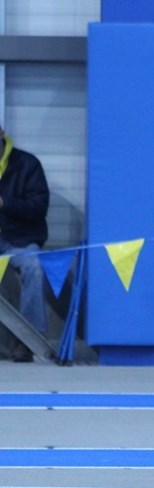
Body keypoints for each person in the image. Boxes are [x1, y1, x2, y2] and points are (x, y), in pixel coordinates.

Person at [0, 124, 50, 362]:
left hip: (18, 238)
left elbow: (38, 208)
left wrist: (5, 203)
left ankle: (28, 340)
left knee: (33, 267)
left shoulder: (27, 164)